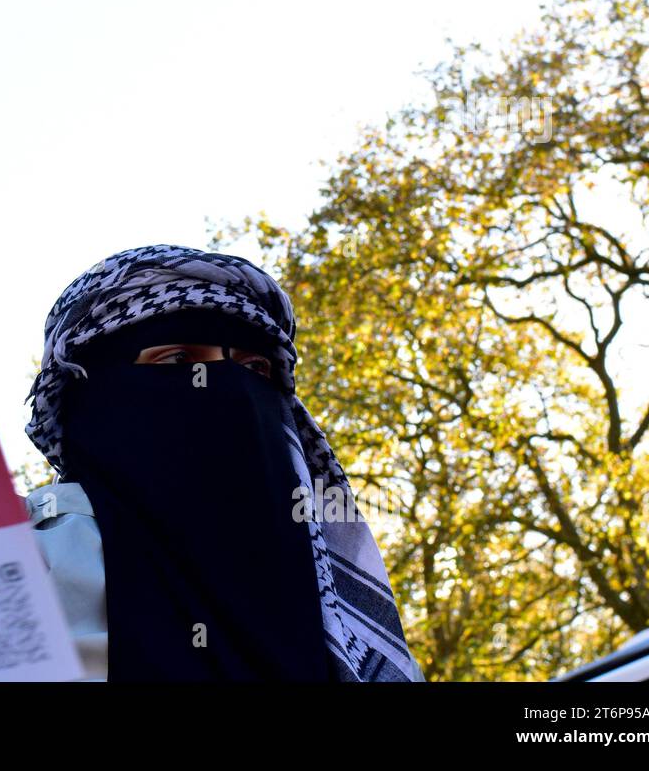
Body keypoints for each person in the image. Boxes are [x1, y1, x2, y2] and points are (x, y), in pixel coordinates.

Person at [23, 244, 425, 682]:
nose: (229, 387)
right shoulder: (35, 560)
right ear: (94, 396)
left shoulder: (343, 609)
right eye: (178, 359)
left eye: (254, 368)